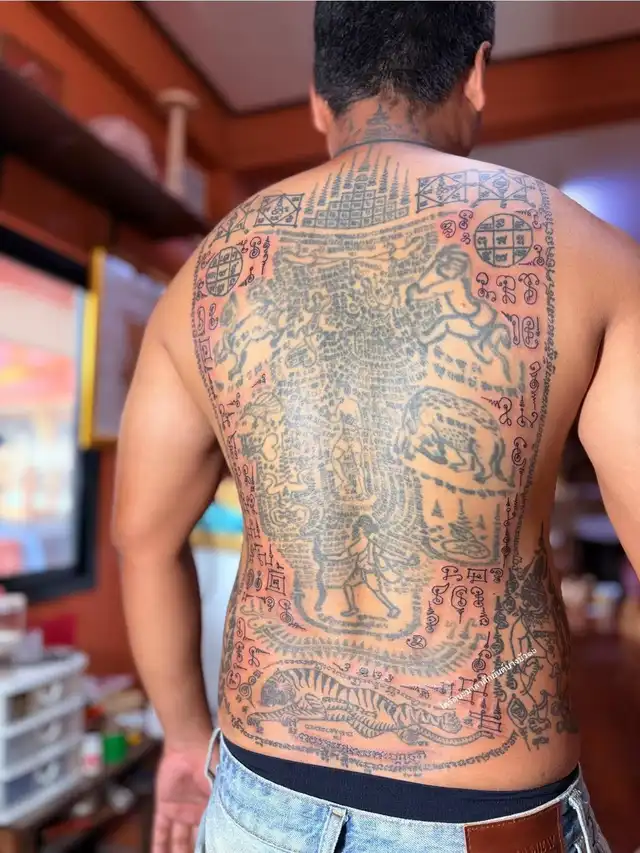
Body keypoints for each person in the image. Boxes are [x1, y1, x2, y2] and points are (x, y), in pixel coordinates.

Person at [112, 2, 640, 851]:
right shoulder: (595, 259)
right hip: (488, 814)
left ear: (317, 99)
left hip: (260, 796)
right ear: (476, 74)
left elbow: (142, 539)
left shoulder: (202, 280)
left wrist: (181, 737)